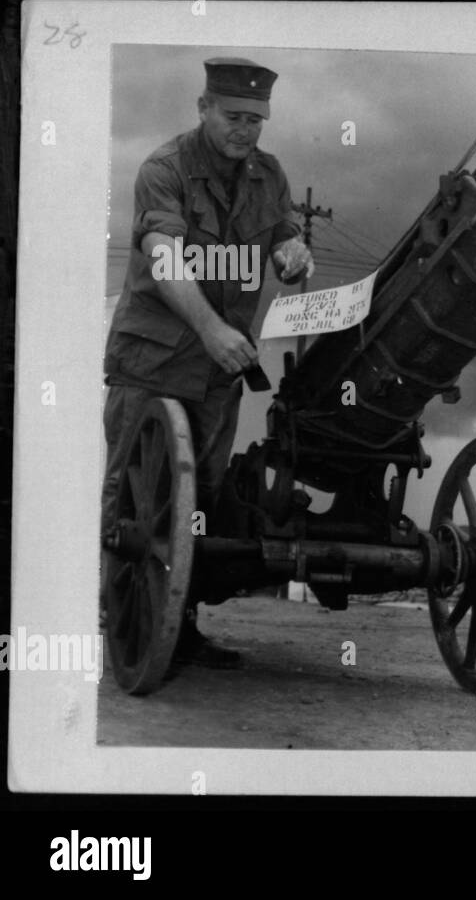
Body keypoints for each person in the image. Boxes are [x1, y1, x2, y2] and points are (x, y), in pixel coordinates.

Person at [101, 57, 314, 669]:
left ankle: (180, 628)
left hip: (219, 371)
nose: (245, 130)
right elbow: (165, 262)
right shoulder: (163, 170)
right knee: (135, 500)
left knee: (198, 501)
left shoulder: (267, 175)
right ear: (203, 108)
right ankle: (124, 631)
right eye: (233, 116)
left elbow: (281, 234)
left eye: (256, 119)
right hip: (154, 358)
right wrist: (214, 328)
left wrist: (291, 253)